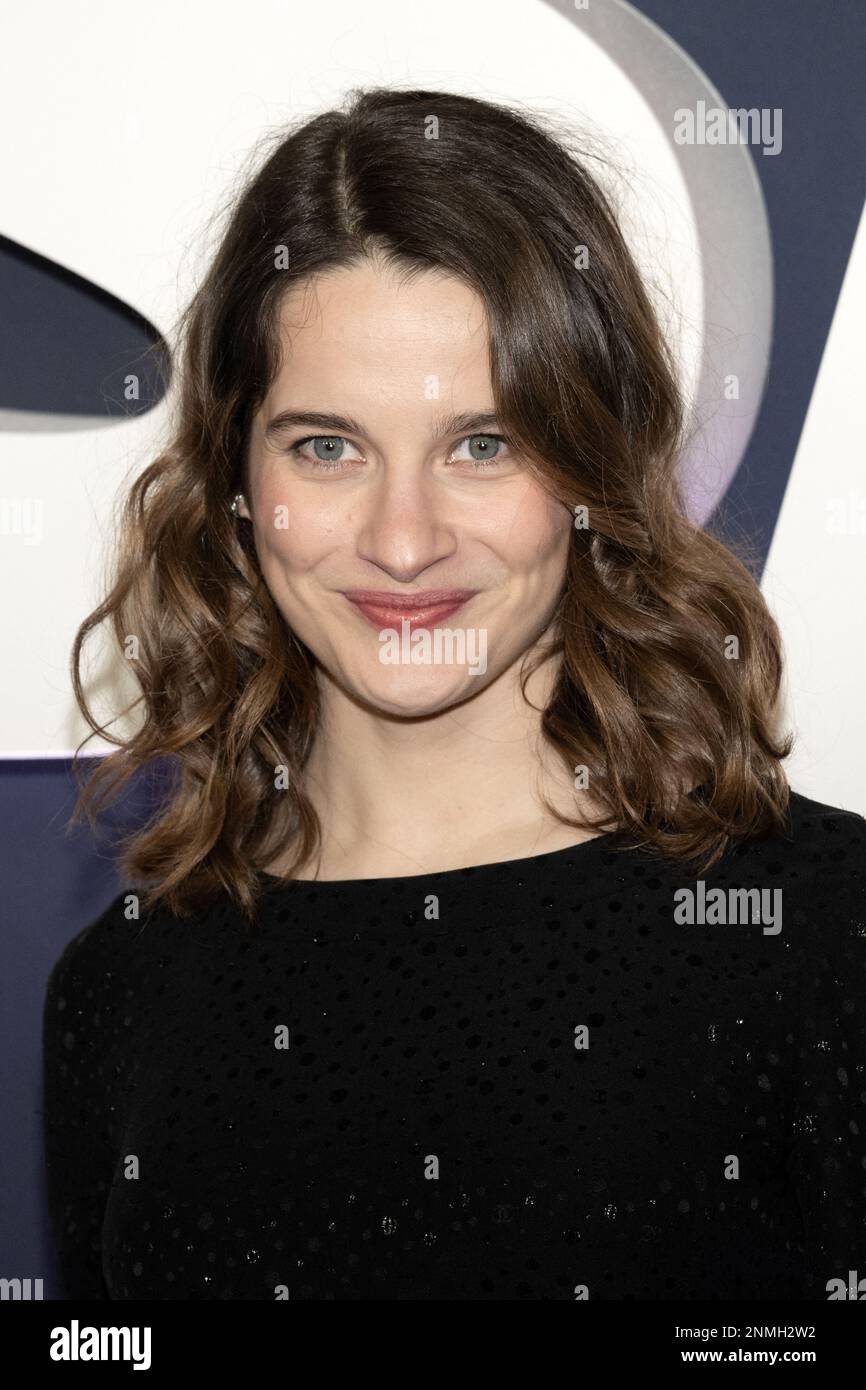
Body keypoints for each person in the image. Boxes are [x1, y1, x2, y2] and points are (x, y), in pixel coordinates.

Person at [43, 86, 865, 1300]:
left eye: (483, 444)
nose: (402, 539)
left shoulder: (819, 930)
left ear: (590, 464)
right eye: (326, 446)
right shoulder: (120, 989)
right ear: (234, 479)